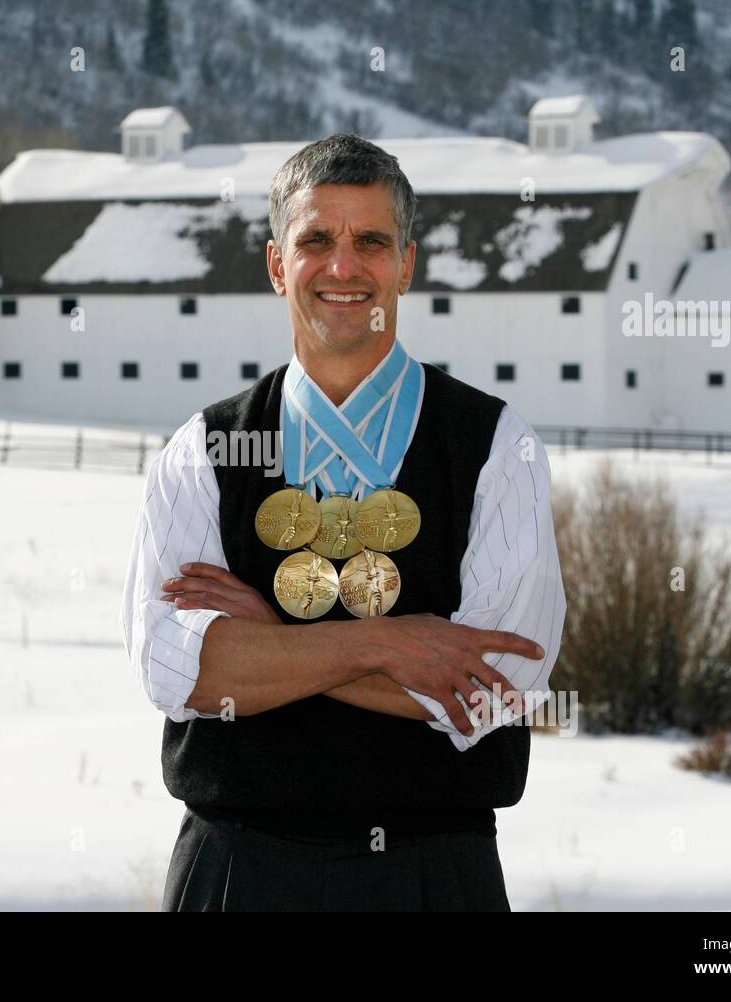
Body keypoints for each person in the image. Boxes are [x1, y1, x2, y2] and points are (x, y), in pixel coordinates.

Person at [120, 132, 567, 911]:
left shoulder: (496, 446)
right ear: (275, 264)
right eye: (316, 240)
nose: (343, 267)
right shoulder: (203, 450)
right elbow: (178, 669)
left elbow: (498, 686)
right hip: (236, 871)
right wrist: (390, 642)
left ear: (406, 265)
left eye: (371, 241)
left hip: (434, 873)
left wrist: (272, 644)